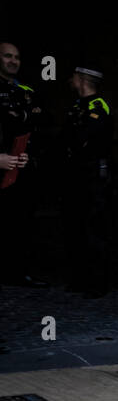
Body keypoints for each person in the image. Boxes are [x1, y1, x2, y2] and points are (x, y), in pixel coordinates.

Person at [61, 64, 113, 297]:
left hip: (93, 174)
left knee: (94, 226)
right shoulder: (75, 106)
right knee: (76, 224)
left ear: (81, 79)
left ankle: (97, 282)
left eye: (73, 77)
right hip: (75, 174)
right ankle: (79, 278)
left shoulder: (98, 106)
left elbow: (84, 138)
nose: (70, 80)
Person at [0, 39, 46, 288]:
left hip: (17, 169)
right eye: (7, 56)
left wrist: (28, 154)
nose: (13, 61)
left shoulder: (24, 91)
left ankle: (17, 272)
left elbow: (34, 128)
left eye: (16, 57)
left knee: (19, 222)